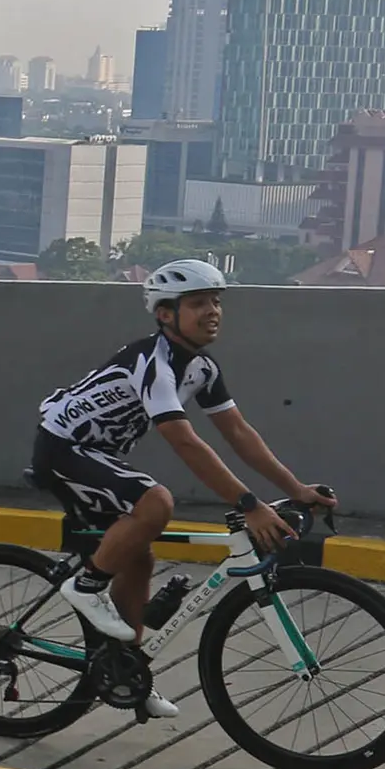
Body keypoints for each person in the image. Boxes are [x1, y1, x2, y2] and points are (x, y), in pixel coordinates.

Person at [31, 258, 333, 719]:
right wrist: (247, 504)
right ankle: (86, 584)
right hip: (64, 449)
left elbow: (238, 433)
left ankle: (124, 669)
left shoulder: (201, 368)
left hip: (100, 455)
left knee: (140, 554)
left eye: (216, 301)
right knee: (156, 503)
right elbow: (186, 442)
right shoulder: (154, 363)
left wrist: (296, 487)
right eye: (198, 303)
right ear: (165, 314)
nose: (212, 311)